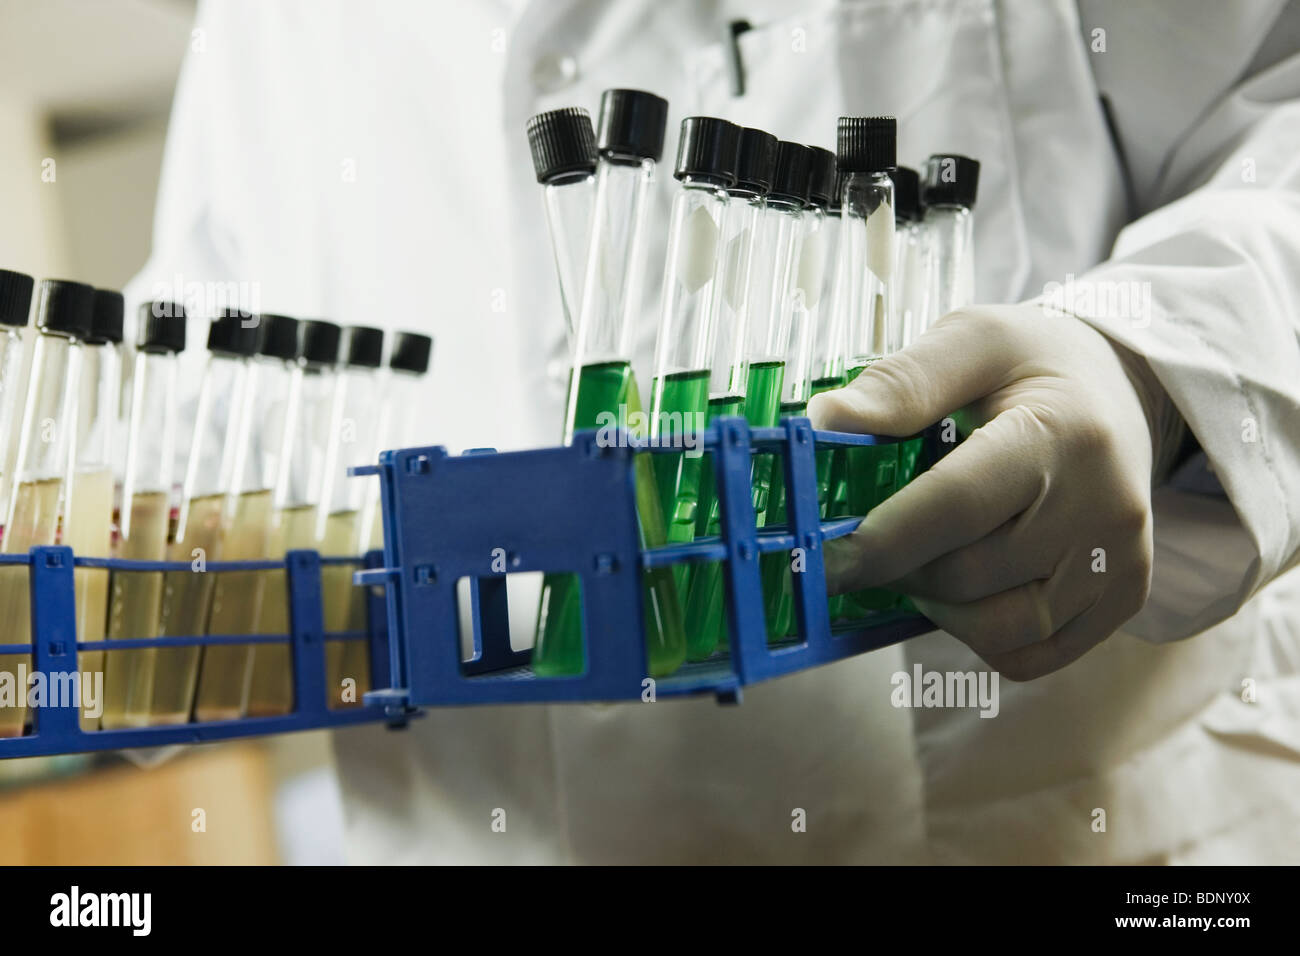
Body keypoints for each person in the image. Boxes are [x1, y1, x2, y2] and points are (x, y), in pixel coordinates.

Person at [126, 0, 1300, 863]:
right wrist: (128, 579)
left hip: (1062, 813)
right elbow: (213, 375)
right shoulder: (262, 31)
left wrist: (1145, 364)